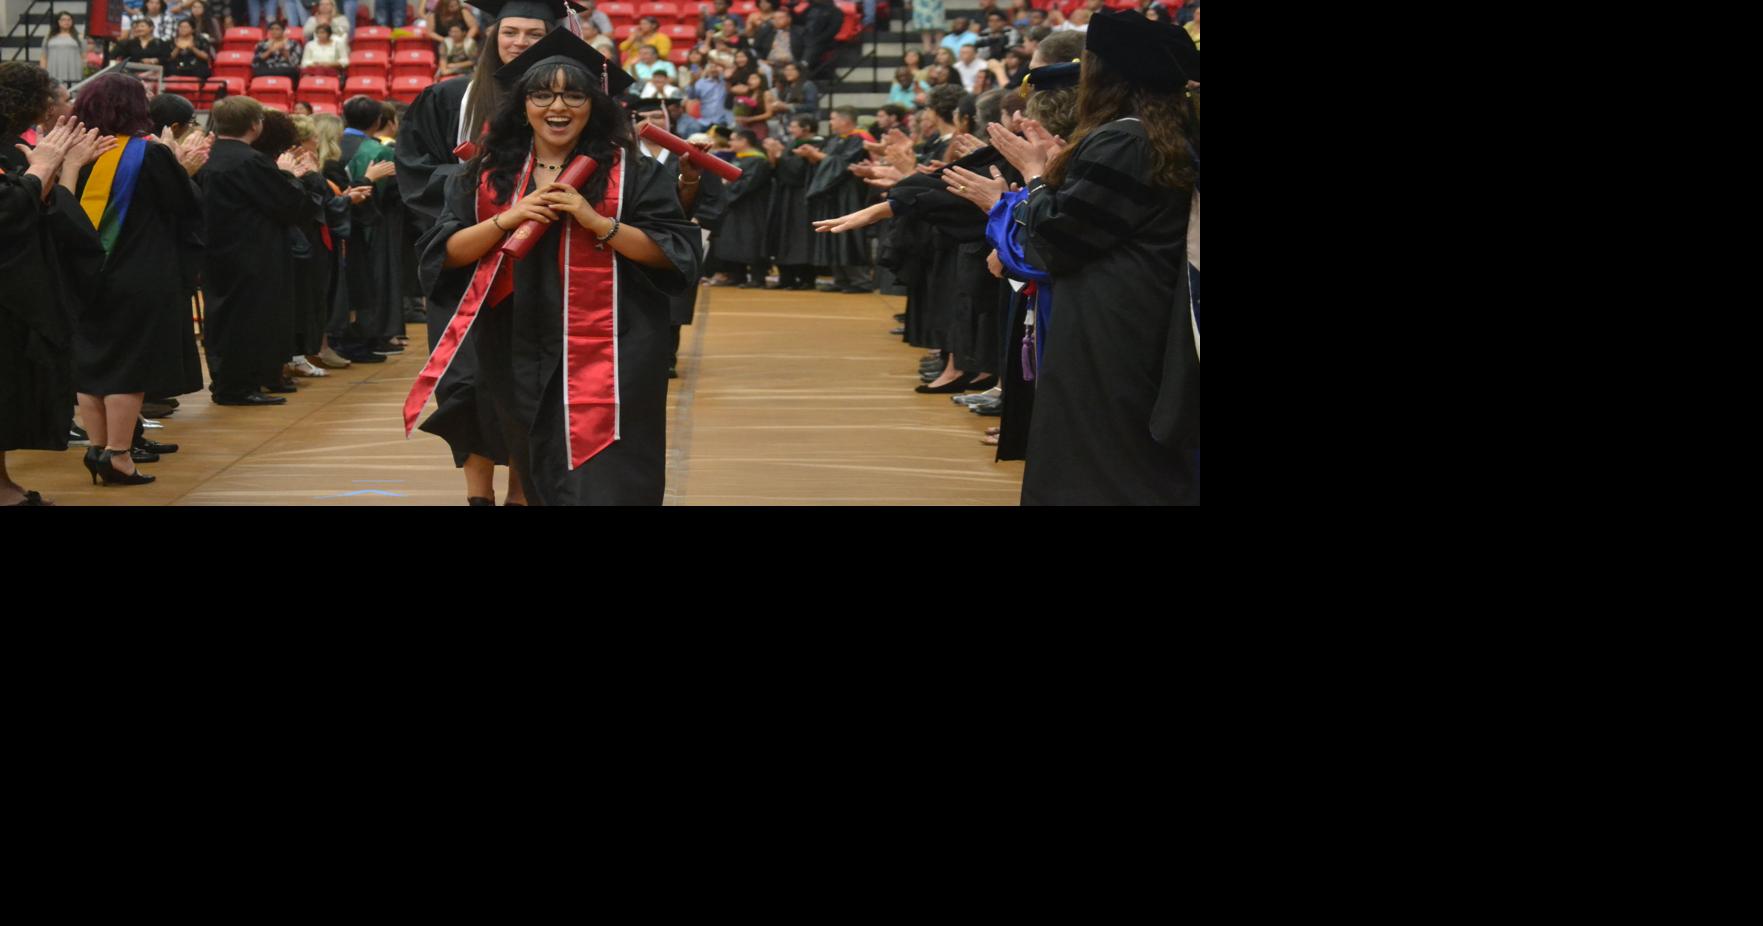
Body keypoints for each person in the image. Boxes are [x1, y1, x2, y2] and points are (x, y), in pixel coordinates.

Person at [406, 28, 701, 505]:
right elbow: (445, 252)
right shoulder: (485, 174)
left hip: (615, 344)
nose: (557, 107)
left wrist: (596, 221)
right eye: (542, 94)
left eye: (573, 95)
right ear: (522, 104)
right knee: (538, 468)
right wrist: (509, 217)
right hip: (516, 343)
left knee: (606, 477)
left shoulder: (634, 172)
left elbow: (674, 251)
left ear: (594, 105)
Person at [985, 11, 1199, 504]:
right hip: (1134, 310)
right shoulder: (1152, 135)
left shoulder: (1124, 139)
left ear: (1109, 75)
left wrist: (1036, 176)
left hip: (1113, 324)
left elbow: (1055, 242)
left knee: (1102, 457)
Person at [397, 0, 565, 506]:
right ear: (492, 37)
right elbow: (414, 173)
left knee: (526, 389)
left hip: (539, 271)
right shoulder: (450, 98)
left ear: (551, 39)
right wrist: (483, 181)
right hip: (466, 266)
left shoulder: (565, 103)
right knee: (465, 386)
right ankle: (478, 496)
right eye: (509, 31)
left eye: (532, 33)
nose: (518, 42)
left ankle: (520, 494)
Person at [66, 73, 206, 487]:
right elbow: (185, 206)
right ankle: (119, 455)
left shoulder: (71, 150)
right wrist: (183, 167)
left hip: (82, 273)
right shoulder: (148, 154)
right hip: (138, 271)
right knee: (128, 366)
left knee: (92, 364)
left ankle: (97, 447)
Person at [0, 67, 107, 505]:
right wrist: (41, 169)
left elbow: (38, 214)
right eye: (49, 100)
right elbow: (7, 212)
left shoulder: (11, 148)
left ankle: (3, 483)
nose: (53, 108)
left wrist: (60, 168)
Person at [198, 95, 316, 407]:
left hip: (216, 249)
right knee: (249, 320)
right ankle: (237, 387)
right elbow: (289, 205)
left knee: (223, 317)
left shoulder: (210, 154)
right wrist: (290, 175)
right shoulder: (249, 160)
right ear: (255, 125)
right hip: (251, 252)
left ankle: (233, 382)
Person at [802, 105, 874, 293]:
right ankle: (841, 279)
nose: (831, 123)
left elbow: (843, 164)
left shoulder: (859, 140)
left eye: (833, 119)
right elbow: (827, 162)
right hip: (831, 194)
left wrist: (817, 155)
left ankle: (860, 280)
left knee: (849, 235)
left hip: (848, 194)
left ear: (845, 120)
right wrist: (812, 157)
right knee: (832, 234)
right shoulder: (834, 140)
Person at [706, 128, 772, 288]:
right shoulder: (739, 158)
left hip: (751, 208)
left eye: (734, 139)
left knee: (751, 241)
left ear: (744, 141)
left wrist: (726, 187)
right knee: (733, 241)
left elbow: (748, 184)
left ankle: (757, 277)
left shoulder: (758, 160)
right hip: (734, 207)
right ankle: (737, 275)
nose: (730, 143)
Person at [762, 116, 816, 289]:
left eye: (794, 126)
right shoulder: (793, 144)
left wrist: (780, 156)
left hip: (801, 198)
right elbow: (780, 168)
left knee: (800, 238)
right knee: (783, 236)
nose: (790, 129)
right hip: (784, 197)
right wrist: (774, 157)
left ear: (806, 127)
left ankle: (805, 279)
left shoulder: (816, 144)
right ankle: (787, 278)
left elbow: (798, 172)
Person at [43, 13, 85, 85]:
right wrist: (43, 73)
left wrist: (84, 72)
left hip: (74, 73)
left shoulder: (80, 37)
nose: (66, 22)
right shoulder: (49, 37)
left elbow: (84, 57)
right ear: (58, 22)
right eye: (63, 20)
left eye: (69, 20)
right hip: (53, 72)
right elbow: (44, 57)